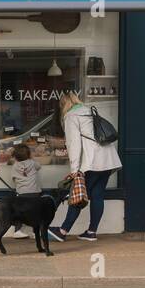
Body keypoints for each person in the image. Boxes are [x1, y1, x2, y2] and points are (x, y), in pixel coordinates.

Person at [48, 90, 121, 242]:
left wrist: (75, 170)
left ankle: (63, 230)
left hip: (91, 162)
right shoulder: (90, 111)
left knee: (78, 196)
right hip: (108, 160)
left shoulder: (71, 116)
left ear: (63, 105)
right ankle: (91, 231)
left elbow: (74, 145)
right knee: (97, 196)